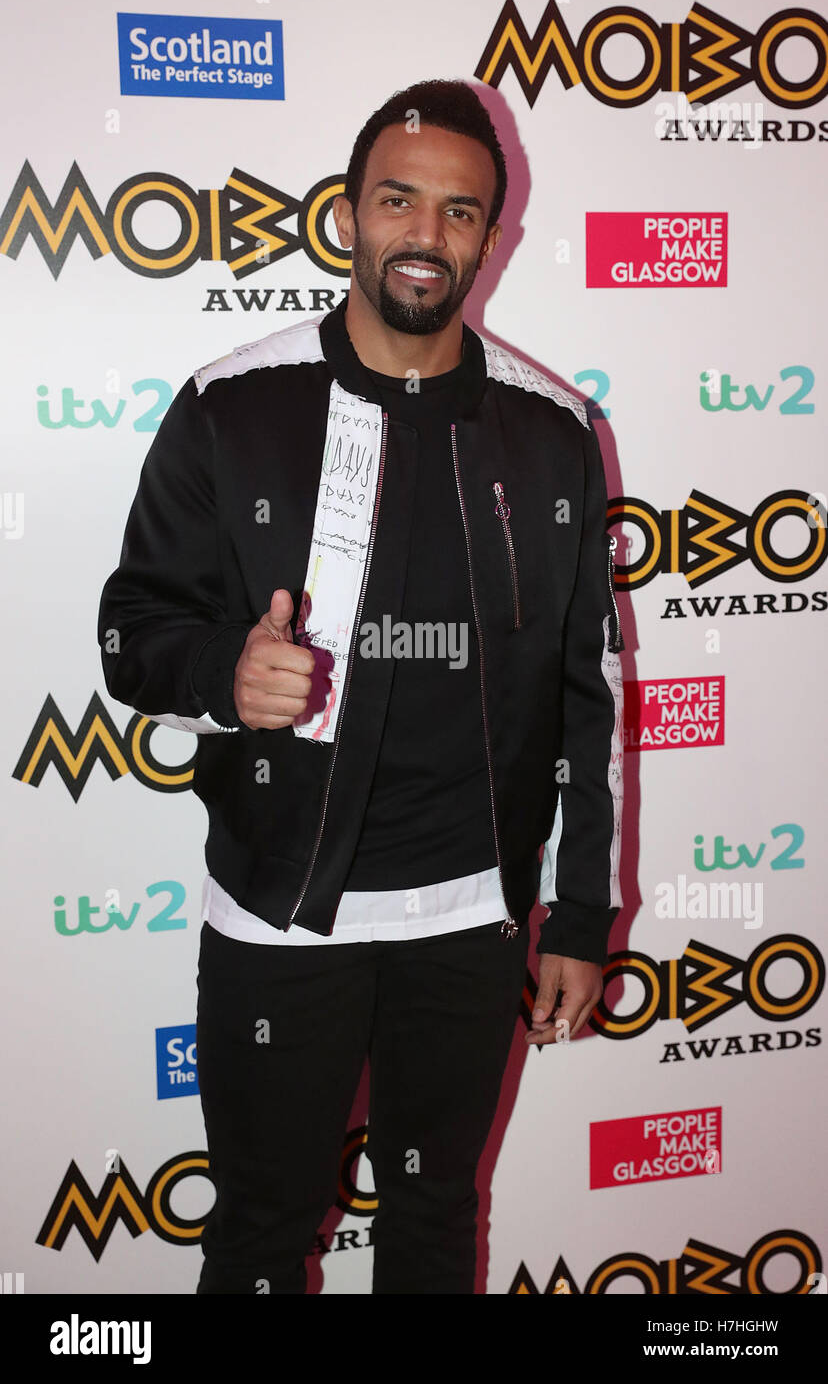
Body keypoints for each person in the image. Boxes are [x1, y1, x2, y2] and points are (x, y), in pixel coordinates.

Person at [97, 78, 624, 1295]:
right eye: (399, 201)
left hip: (469, 924)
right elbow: (132, 636)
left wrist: (580, 918)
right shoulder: (232, 406)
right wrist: (226, 677)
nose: (426, 236)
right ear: (349, 214)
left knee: (437, 1230)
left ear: (491, 236)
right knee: (262, 1239)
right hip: (282, 918)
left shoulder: (553, 428)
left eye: (458, 212)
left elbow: (586, 686)